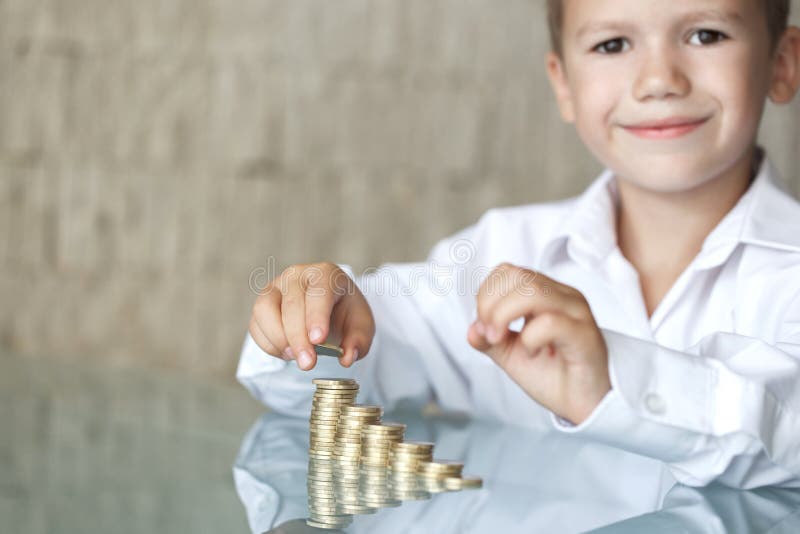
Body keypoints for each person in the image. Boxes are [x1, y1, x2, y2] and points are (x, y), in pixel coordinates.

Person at [238, 0, 800, 488]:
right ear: (563, 84)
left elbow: (784, 431)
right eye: (612, 44)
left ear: (782, 63)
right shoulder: (502, 249)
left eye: (706, 35)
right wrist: (318, 323)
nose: (659, 79)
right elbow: (342, 374)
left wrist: (611, 385)